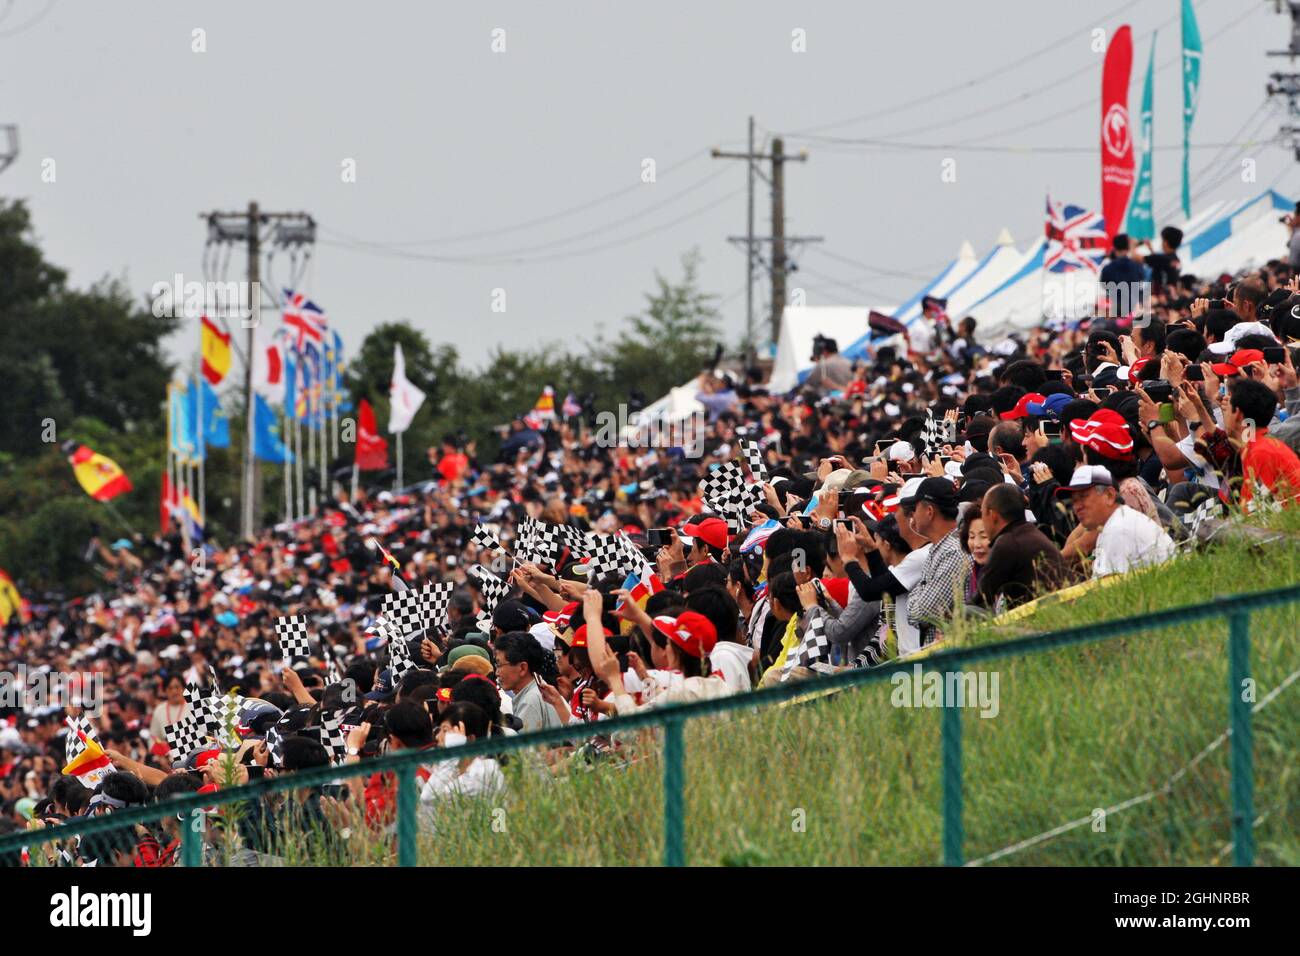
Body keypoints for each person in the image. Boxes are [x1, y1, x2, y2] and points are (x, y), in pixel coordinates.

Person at [1058, 465, 1174, 578]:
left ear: (1109, 495)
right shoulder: (1115, 522)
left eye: (1083, 496)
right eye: (1074, 500)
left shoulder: (1119, 529)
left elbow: (1109, 591)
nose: (1077, 507)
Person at [900, 477, 972, 644]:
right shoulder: (938, 548)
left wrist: (916, 598)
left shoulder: (953, 552)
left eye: (915, 508)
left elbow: (921, 613)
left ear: (929, 511)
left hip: (954, 659)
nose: (912, 515)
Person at [976, 484, 1066, 608]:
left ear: (993, 515)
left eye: (982, 513)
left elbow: (982, 597)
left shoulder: (1008, 543)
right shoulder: (1028, 532)